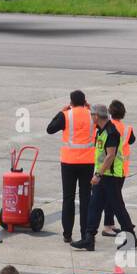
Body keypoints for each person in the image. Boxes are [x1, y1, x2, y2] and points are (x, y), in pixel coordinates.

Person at [75, 104, 135, 250]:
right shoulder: (101, 130)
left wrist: (97, 175)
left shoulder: (111, 132)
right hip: (104, 176)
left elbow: (110, 156)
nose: (90, 118)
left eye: (91, 115)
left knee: (118, 208)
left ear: (96, 116)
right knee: (94, 207)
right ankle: (89, 238)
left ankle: (131, 239)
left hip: (111, 176)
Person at [47, 91, 95, 244]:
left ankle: (67, 234)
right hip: (87, 161)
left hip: (69, 162)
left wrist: (61, 111)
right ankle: (86, 234)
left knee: (68, 198)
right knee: (86, 198)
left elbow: (50, 129)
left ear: (71, 102)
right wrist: (91, 108)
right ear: (85, 101)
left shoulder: (66, 115)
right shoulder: (92, 114)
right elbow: (104, 123)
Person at [101, 100, 137, 237]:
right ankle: (114, 224)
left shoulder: (107, 127)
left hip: (109, 168)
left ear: (110, 112)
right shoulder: (127, 129)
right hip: (121, 169)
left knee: (112, 198)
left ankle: (109, 225)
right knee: (114, 198)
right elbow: (132, 141)